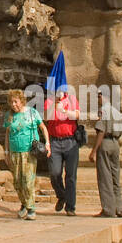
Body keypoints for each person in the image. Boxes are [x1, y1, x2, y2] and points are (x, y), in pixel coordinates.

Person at [4, 89, 50, 220]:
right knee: (17, 181)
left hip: (28, 152)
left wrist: (47, 143)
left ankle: (31, 208)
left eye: (16, 102)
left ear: (22, 101)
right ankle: (24, 204)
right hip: (14, 151)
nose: (13, 105)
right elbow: (7, 134)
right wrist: (6, 151)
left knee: (28, 180)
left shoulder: (32, 113)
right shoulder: (9, 115)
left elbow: (43, 128)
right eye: (11, 102)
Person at [89, 90, 122, 217]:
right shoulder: (115, 111)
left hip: (105, 143)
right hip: (115, 144)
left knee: (105, 177)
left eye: (99, 96)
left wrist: (94, 151)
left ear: (104, 97)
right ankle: (119, 208)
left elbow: (101, 131)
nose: (97, 99)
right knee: (115, 177)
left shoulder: (103, 110)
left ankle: (108, 209)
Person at [44, 84, 81, 215]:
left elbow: (77, 115)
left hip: (70, 140)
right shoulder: (48, 101)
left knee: (71, 175)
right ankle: (61, 195)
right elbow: (46, 118)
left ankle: (70, 207)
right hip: (55, 141)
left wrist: (64, 111)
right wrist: (54, 106)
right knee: (54, 173)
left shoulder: (71, 99)